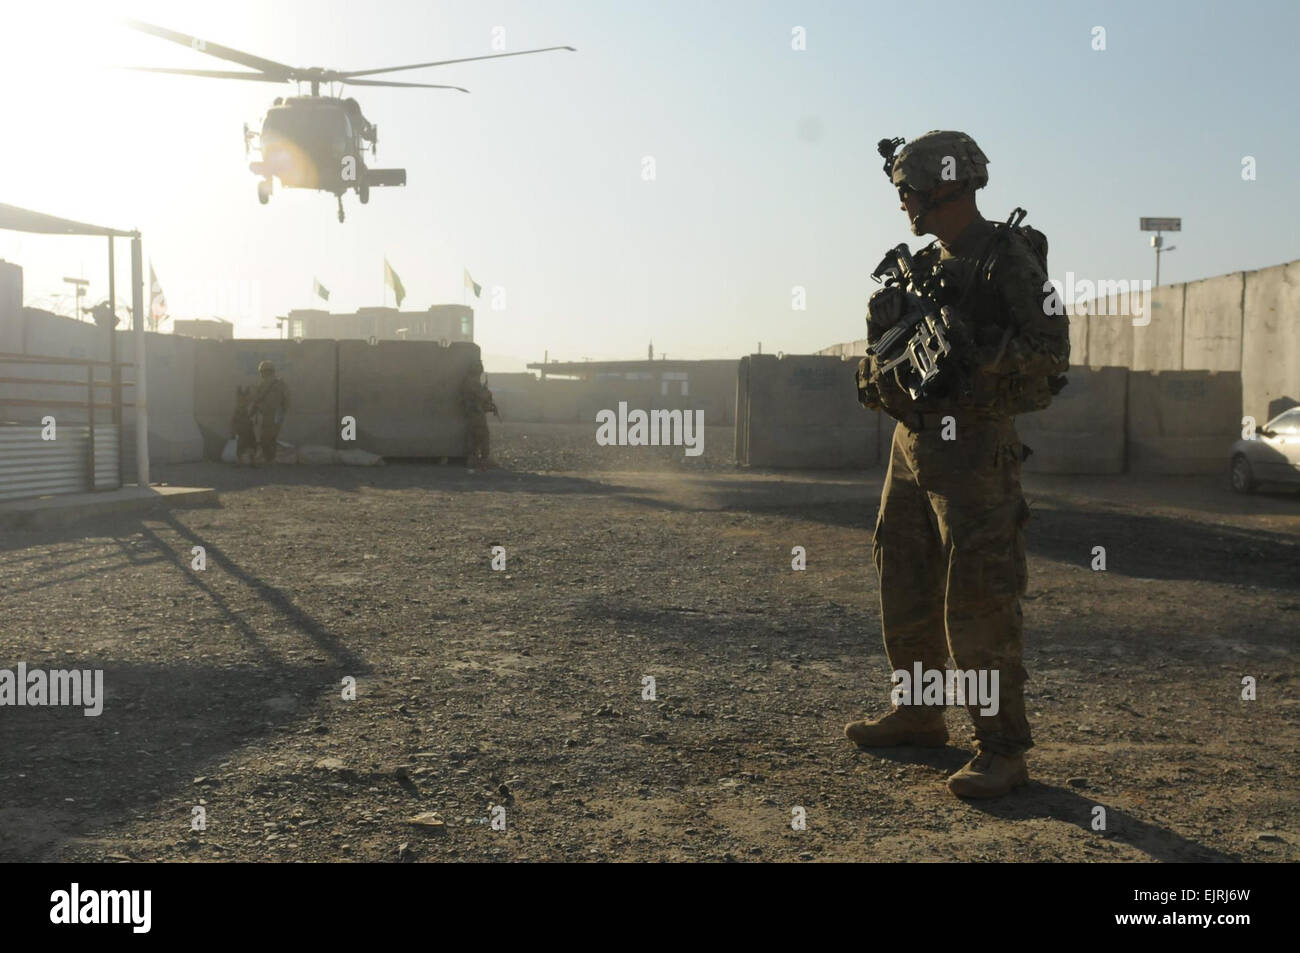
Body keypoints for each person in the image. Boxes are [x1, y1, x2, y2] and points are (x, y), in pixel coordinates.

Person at [846, 130, 1070, 798]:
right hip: (913, 446)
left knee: (980, 596)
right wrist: (886, 355)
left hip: (974, 450)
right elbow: (876, 371)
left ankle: (1002, 748)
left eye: (908, 191)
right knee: (903, 577)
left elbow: (1052, 355)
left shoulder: (1010, 261)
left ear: (945, 188)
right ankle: (919, 713)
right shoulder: (919, 266)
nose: (904, 204)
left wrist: (970, 358)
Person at [459, 359, 499, 471]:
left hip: (472, 412)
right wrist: (487, 392)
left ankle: (473, 458)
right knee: (483, 435)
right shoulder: (472, 382)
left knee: (473, 436)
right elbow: (483, 396)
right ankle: (483, 459)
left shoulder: (468, 381)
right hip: (475, 412)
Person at [250, 359, 290, 464]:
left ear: (264, 372)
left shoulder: (262, 385)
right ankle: (271, 459)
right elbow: (287, 400)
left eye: (262, 372)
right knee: (272, 437)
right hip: (277, 415)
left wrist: (252, 413)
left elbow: (256, 401)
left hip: (268, 415)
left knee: (265, 439)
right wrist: (282, 412)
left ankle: (270, 459)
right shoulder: (281, 383)